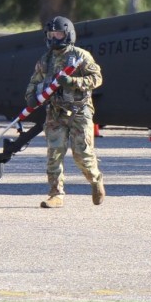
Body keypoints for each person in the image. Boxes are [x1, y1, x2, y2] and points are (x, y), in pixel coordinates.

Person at [26, 15, 105, 209]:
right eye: (51, 34)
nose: (54, 38)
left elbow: (97, 78)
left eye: (58, 33)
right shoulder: (45, 59)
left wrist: (73, 82)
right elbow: (34, 82)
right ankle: (56, 194)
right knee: (54, 153)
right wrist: (30, 97)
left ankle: (96, 181)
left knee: (82, 154)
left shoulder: (80, 57)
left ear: (68, 34)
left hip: (79, 111)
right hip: (55, 113)